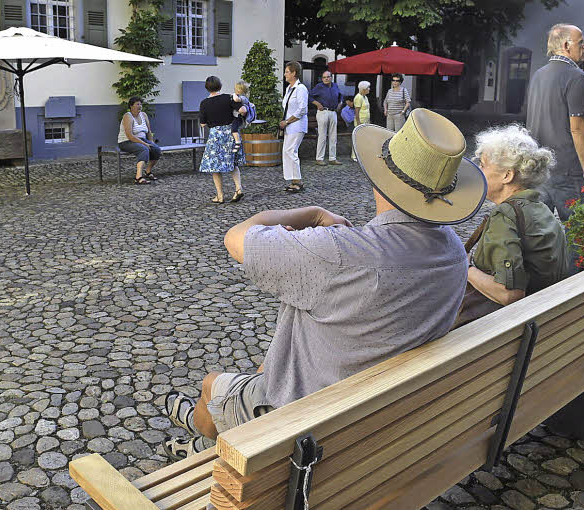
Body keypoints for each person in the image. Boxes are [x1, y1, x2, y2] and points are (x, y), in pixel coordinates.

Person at [161, 109, 486, 458]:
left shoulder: (342, 252)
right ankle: (211, 430)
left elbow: (236, 237)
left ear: (379, 176)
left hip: (305, 423)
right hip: (384, 417)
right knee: (264, 366)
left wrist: (313, 214)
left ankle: (200, 444)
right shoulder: (454, 252)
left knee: (211, 386)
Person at [455, 124, 569, 328]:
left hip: (506, 332)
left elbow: (509, 294)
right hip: (542, 323)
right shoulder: (541, 209)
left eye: (483, 165)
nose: (478, 171)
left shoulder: (506, 215)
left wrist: (466, 268)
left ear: (507, 176)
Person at [525, 23, 584, 224]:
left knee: (538, 232)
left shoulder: (539, 74)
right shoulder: (577, 76)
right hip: (567, 168)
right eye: (581, 42)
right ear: (566, 45)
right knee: (578, 230)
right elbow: (578, 128)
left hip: (539, 165)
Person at [198, 76, 246, 203]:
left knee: (215, 167)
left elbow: (202, 124)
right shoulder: (227, 98)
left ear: (206, 88)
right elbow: (242, 109)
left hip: (215, 135)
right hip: (230, 132)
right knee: (232, 163)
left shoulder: (204, 103)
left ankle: (220, 196)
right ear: (220, 86)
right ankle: (238, 189)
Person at [279, 61, 309, 193]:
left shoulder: (301, 89)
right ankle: (293, 180)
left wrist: (287, 121)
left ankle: (298, 181)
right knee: (287, 152)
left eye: (287, 72)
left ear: (294, 73)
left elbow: (302, 109)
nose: (285, 74)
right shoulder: (289, 88)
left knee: (291, 151)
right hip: (290, 126)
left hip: (296, 125)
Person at [118, 97, 162, 184]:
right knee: (143, 149)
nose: (140, 106)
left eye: (140, 104)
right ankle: (138, 177)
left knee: (156, 149)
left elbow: (149, 131)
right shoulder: (127, 116)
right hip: (126, 141)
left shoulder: (144, 115)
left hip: (142, 140)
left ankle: (148, 171)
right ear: (131, 106)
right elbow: (130, 135)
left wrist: (151, 142)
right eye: (137, 104)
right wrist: (145, 144)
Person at [309, 70, 342, 165]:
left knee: (333, 136)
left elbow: (340, 96)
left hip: (333, 112)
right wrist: (317, 104)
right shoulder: (319, 87)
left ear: (331, 78)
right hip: (323, 112)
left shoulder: (335, 86)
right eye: (324, 77)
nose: (326, 79)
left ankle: (332, 158)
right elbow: (310, 97)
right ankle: (319, 158)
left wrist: (340, 103)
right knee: (322, 136)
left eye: (328, 77)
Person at [351, 81, 371, 162]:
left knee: (364, 139)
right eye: (367, 88)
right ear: (363, 89)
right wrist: (358, 122)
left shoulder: (365, 97)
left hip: (366, 120)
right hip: (360, 121)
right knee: (357, 138)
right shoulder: (358, 97)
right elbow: (357, 111)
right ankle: (354, 155)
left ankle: (362, 154)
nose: (369, 89)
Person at [230, 80, 252, 153]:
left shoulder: (243, 98)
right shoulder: (241, 96)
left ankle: (238, 142)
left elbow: (236, 99)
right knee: (234, 129)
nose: (236, 90)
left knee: (234, 129)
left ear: (242, 90)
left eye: (237, 89)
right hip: (236, 116)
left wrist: (233, 95)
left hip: (239, 117)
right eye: (235, 88)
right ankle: (237, 141)